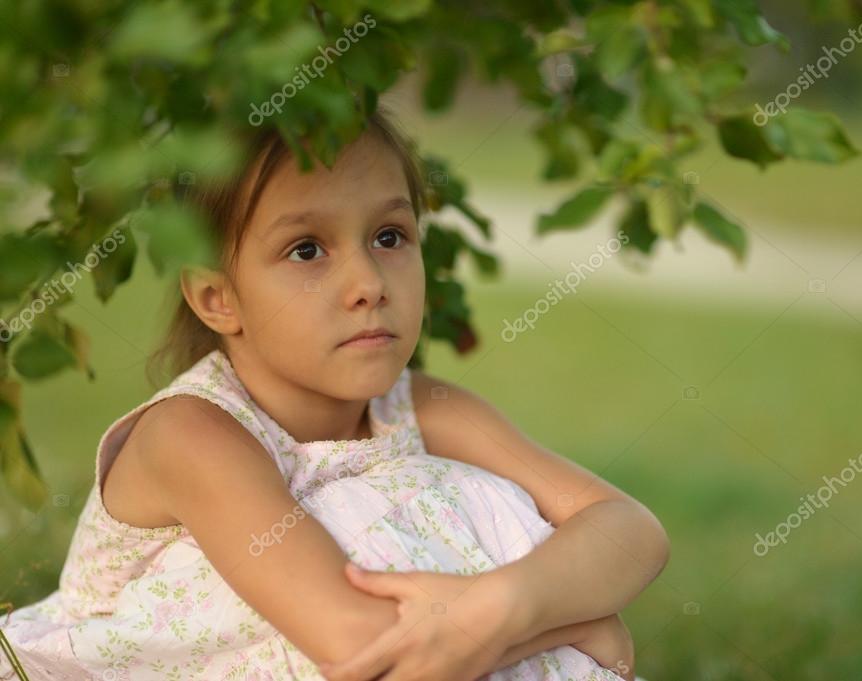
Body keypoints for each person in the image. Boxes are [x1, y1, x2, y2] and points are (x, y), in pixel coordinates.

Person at [0, 106, 669, 681]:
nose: (369, 282)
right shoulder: (191, 434)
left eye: (388, 236)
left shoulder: (419, 406)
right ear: (217, 296)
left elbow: (627, 526)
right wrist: (570, 624)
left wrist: (505, 602)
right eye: (306, 249)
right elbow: (362, 651)